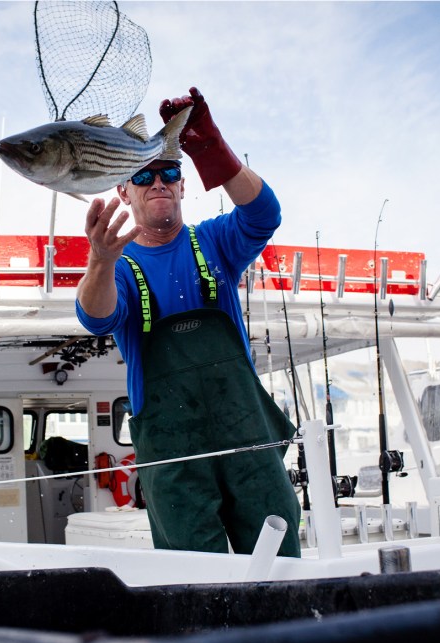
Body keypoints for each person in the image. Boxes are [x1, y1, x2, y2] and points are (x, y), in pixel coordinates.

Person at [75, 87, 301, 557]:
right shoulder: (119, 267)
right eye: (144, 175)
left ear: (182, 186)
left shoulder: (215, 242)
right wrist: (100, 259)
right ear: (123, 190)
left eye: (170, 173)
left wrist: (212, 149)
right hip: (171, 455)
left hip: (247, 442)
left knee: (278, 558)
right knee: (194, 575)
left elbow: (265, 214)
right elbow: (96, 318)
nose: (158, 182)